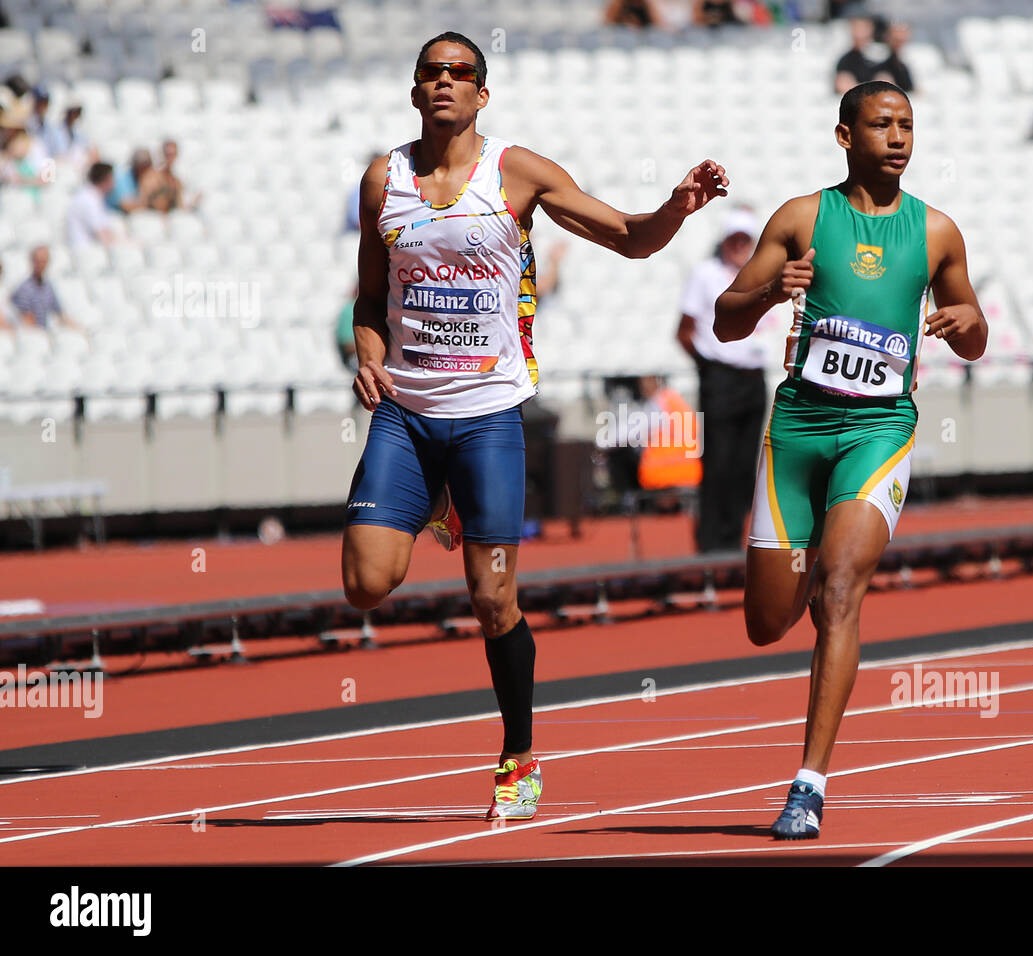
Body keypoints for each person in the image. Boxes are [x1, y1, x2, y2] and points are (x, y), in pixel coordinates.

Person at [342, 32, 727, 822]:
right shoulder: (384, 180)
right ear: (415, 91)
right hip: (407, 412)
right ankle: (439, 503)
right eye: (432, 73)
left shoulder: (517, 173)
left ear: (484, 94)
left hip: (487, 414)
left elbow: (628, 236)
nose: (446, 83)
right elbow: (368, 298)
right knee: (366, 585)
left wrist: (676, 208)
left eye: (462, 74)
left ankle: (518, 753)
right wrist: (368, 352)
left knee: (492, 600)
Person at [714, 80, 987, 839]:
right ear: (845, 136)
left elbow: (973, 335)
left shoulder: (936, 232)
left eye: (906, 125)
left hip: (878, 429)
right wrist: (771, 291)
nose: (897, 137)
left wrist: (968, 321)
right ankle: (800, 561)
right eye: (881, 124)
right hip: (796, 431)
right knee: (769, 623)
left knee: (840, 592)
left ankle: (808, 785)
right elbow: (725, 322)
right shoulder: (803, 218)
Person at [677, 208, 777, 552]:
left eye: (744, 239)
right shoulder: (706, 275)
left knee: (744, 464)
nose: (739, 244)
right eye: (734, 238)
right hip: (720, 376)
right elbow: (684, 331)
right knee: (717, 461)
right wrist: (708, 367)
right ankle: (709, 545)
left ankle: (732, 540)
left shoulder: (760, 275)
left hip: (753, 378)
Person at [11, 246, 81, 332]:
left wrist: (77, 328)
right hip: (33, 334)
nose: (41, 265)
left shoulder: (48, 287)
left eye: (44, 261)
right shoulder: (24, 289)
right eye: (38, 261)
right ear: (32, 262)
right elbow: (26, 319)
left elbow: (60, 313)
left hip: (43, 332)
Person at [66, 161, 117, 247]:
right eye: (112, 178)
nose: (115, 183)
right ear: (106, 179)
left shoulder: (95, 198)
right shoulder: (88, 200)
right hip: (85, 252)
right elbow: (101, 234)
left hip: (93, 249)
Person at [833, 16, 882, 94]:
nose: (860, 34)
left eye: (863, 29)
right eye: (857, 29)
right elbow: (842, 85)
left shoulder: (881, 57)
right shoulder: (845, 61)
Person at [870, 21, 914, 93]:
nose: (899, 43)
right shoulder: (876, 58)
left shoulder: (906, 60)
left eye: (901, 40)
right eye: (896, 39)